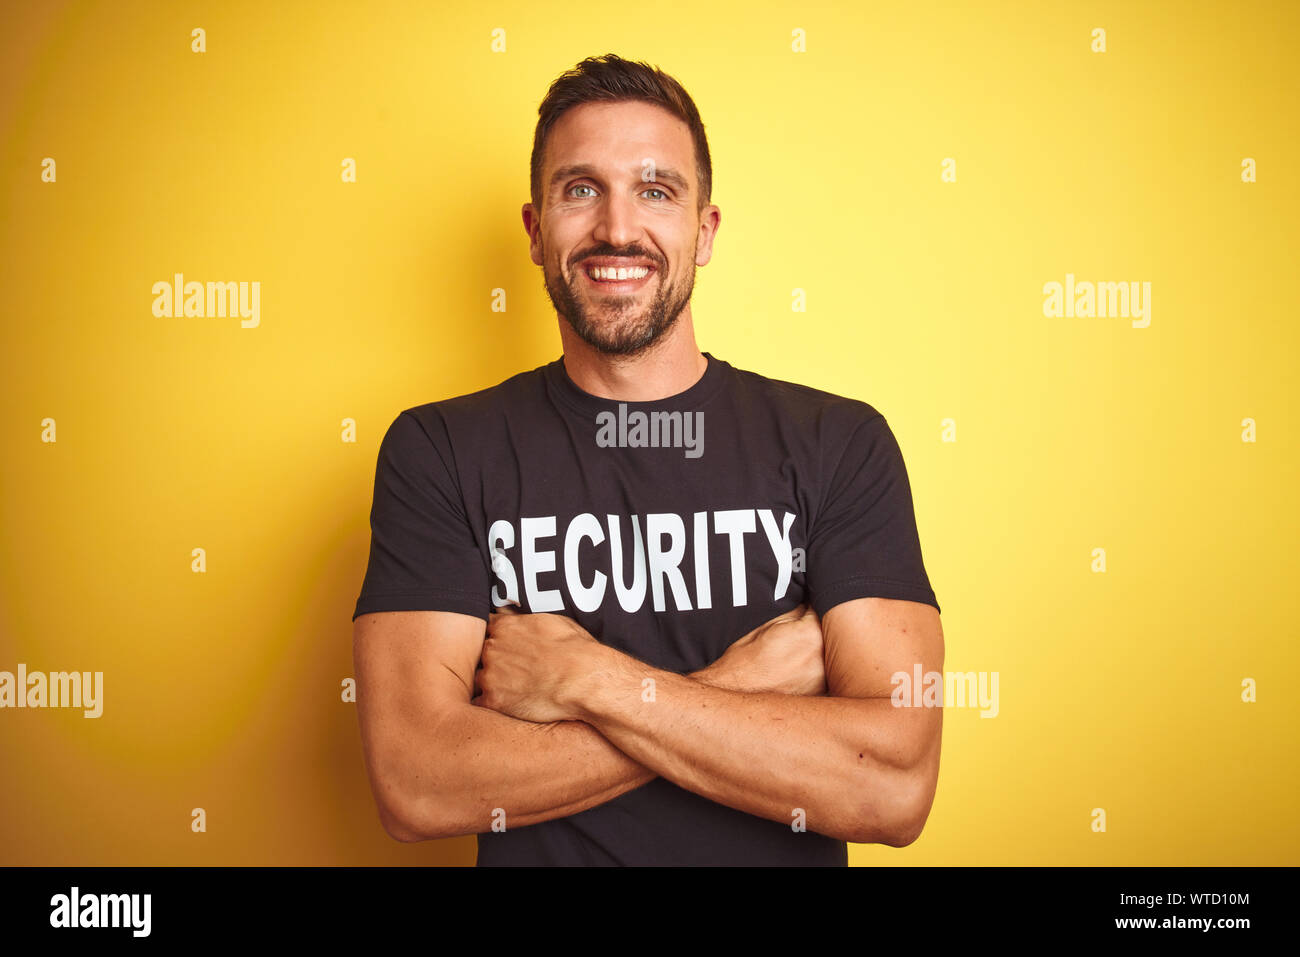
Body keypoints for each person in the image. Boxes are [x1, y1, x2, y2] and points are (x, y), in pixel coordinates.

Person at [351, 54, 945, 866]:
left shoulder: (838, 444)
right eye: (581, 189)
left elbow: (892, 785)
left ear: (703, 232)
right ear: (535, 230)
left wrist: (585, 679)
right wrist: (740, 688)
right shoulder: (441, 451)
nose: (618, 230)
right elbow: (419, 783)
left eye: (656, 190)